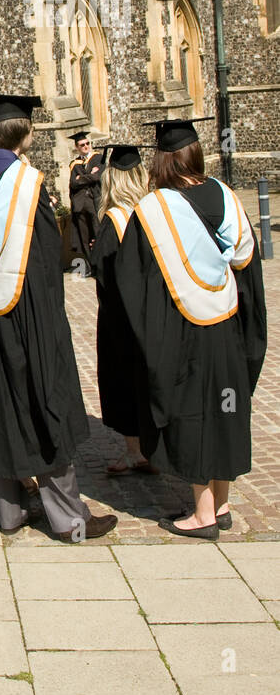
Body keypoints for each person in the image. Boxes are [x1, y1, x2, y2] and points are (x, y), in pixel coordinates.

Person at [0, 93, 116, 542]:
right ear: (26, 135)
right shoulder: (27, 183)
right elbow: (44, 260)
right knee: (42, 402)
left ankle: (10, 511)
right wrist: (51, 326)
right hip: (23, 317)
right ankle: (69, 518)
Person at [115, 118, 267, 539]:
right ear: (195, 153)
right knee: (227, 407)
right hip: (229, 325)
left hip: (184, 331)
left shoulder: (154, 210)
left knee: (195, 411)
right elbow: (247, 269)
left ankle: (201, 515)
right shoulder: (226, 195)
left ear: (161, 160)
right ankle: (221, 503)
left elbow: (132, 282)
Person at [89, 145, 156, 478]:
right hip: (151, 314)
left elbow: (102, 271)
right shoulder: (151, 212)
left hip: (119, 318)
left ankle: (134, 452)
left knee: (123, 380)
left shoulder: (113, 220)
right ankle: (153, 448)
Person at [67, 130, 103, 265]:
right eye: (82, 145)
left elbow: (97, 176)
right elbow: (73, 183)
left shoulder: (97, 158)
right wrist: (89, 176)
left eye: (87, 143)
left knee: (97, 231)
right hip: (80, 204)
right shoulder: (74, 163)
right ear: (77, 147)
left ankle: (100, 263)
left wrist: (81, 178)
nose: (86, 146)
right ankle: (91, 264)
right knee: (84, 236)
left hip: (94, 201)